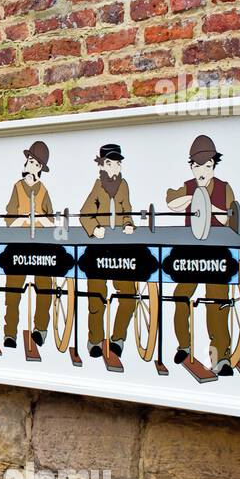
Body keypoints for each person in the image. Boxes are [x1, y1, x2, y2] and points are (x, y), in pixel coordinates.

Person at [165, 134, 237, 376]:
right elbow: (171, 203)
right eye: (198, 167)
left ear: (214, 166)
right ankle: (184, 346)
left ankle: (220, 357)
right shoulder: (187, 187)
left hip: (216, 254)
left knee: (217, 302)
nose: (203, 171)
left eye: (207, 166)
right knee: (180, 296)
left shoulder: (224, 188)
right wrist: (193, 198)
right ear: (192, 167)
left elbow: (229, 216)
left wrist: (207, 204)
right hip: (189, 254)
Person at [80, 143, 136, 363]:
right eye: (111, 163)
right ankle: (95, 340)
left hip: (120, 249)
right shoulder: (98, 188)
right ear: (102, 165)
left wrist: (128, 223)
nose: (115, 167)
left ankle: (118, 338)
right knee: (96, 297)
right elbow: (85, 214)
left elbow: (126, 210)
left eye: (118, 163)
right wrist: (95, 229)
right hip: (98, 249)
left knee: (129, 295)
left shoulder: (123, 186)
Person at [2, 140, 55, 349]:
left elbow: (51, 220)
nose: (29, 165)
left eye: (33, 162)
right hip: (19, 245)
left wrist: (40, 220)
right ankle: (10, 333)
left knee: (45, 285)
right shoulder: (17, 187)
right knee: (13, 288)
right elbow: (9, 217)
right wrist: (24, 219)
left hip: (40, 246)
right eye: (28, 161)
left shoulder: (43, 191)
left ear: (40, 168)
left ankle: (40, 329)